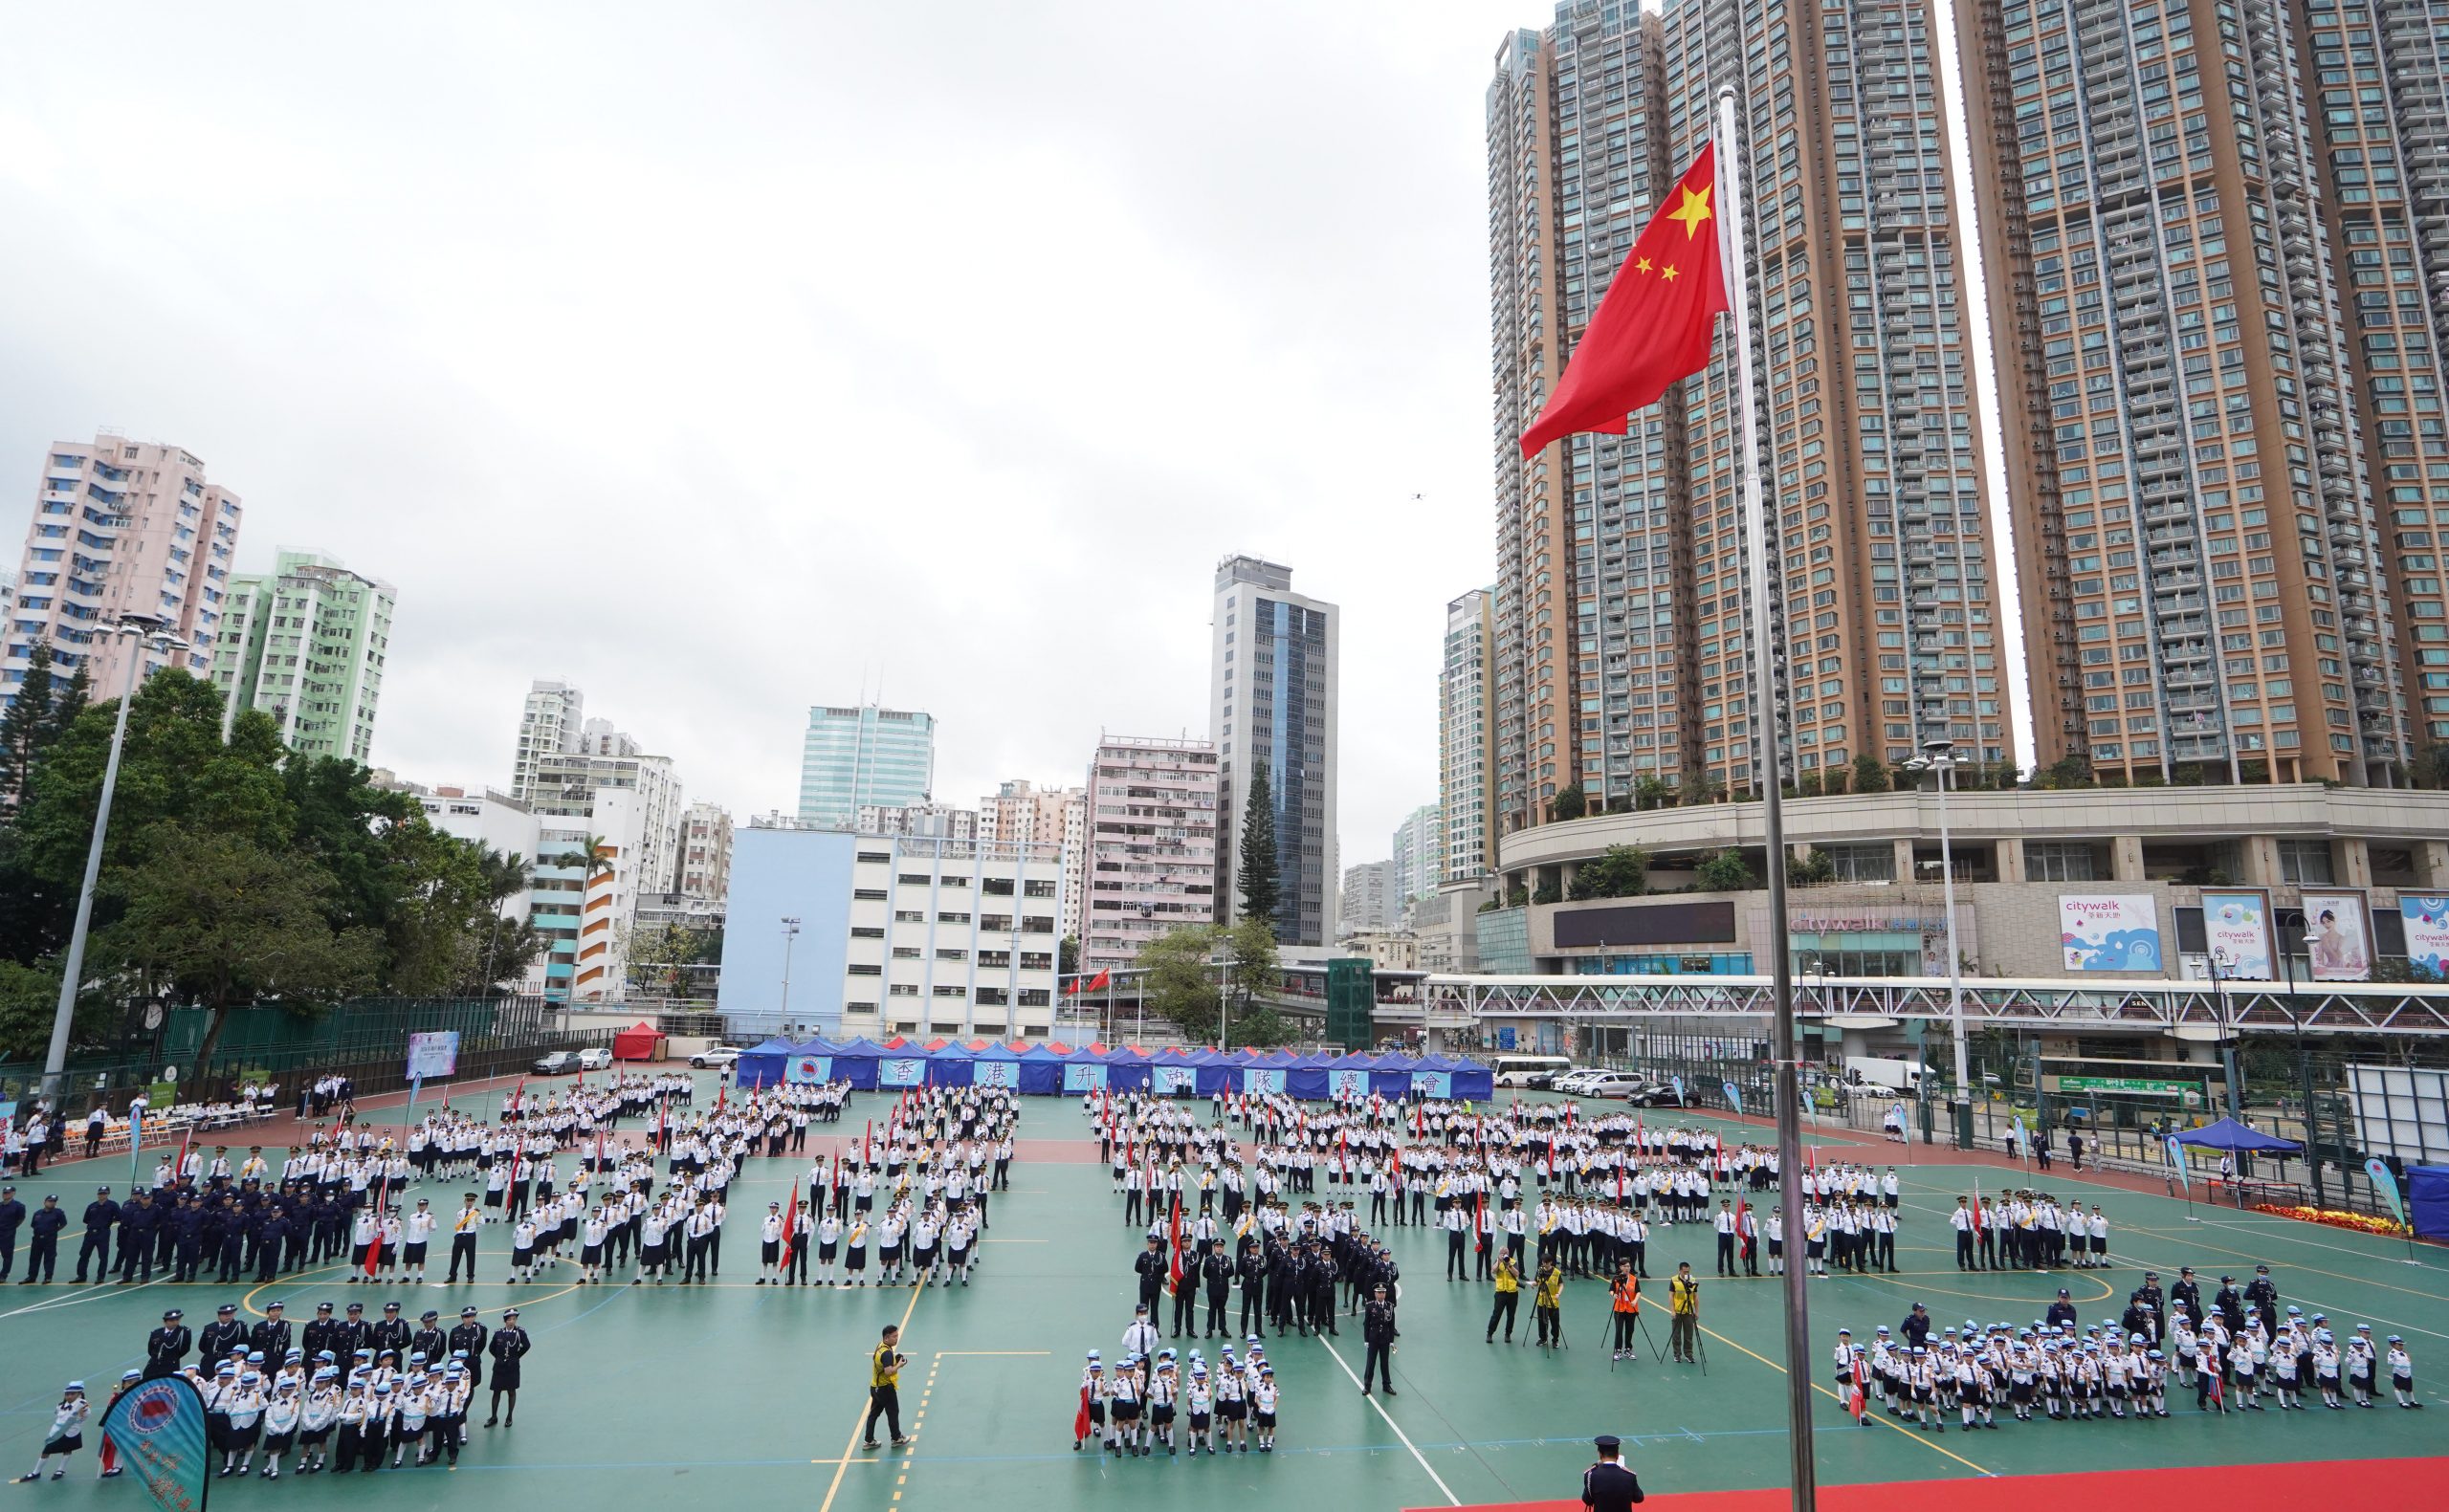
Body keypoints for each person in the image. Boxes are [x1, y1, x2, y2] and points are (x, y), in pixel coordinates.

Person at [21, 1383, 87, 1482]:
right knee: (46, 1451)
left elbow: (83, 1418)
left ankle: (60, 1470)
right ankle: (36, 1472)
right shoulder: (60, 1405)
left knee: (68, 1449)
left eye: (72, 1394)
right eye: (67, 1394)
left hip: (72, 1431)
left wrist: (81, 1415)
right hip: (57, 1432)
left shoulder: (83, 1405)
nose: (69, 1396)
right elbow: (58, 1416)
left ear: (79, 1394)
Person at [865, 1324, 909, 1450]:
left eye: (897, 1336)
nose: (897, 1339)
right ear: (886, 1338)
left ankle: (868, 1441)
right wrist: (900, 1365)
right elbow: (889, 1371)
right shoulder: (887, 1354)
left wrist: (895, 1360)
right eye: (894, 1337)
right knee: (893, 1412)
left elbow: (884, 1363)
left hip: (875, 1387)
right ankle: (897, 1439)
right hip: (885, 1389)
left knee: (873, 1414)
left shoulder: (880, 1347)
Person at [482, 1309, 528, 1428]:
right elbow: (492, 1348)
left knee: (511, 1392)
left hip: (512, 1367)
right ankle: (494, 1417)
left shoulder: (520, 1333)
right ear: (505, 1321)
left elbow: (527, 1345)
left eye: (514, 1319)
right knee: (496, 1392)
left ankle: (509, 1416)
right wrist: (499, 1358)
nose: (512, 1322)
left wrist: (516, 1356)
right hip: (499, 1367)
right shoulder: (498, 1333)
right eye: (509, 1319)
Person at [1581, 1434, 1645, 1512]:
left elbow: (1587, 1500)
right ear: (1617, 1455)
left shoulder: (1590, 1475)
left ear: (1600, 1454)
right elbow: (1639, 1498)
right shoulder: (1629, 1476)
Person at [1360, 1282, 1398, 1397]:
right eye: (1379, 1292)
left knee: (1384, 1363)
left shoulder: (1389, 1306)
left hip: (1385, 1339)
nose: (1381, 1295)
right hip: (1373, 1339)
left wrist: (1391, 1340)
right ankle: (1367, 1385)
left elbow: (1392, 1325)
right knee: (1370, 1363)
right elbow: (1366, 1324)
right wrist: (1366, 1340)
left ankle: (1386, 1385)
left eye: (1383, 1293)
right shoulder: (1370, 1306)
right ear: (1375, 1294)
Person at [1667, 1262, 1699, 1364]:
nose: (1686, 1273)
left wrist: (1696, 1311)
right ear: (1679, 1270)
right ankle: (1677, 1354)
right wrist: (1672, 1310)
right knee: (1676, 1335)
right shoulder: (1674, 1280)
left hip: (1689, 1312)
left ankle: (1689, 1354)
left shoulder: (1692, 1280)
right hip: (1677, 1311)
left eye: (1688, 1271)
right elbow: (1671, 1296)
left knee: (1689, 1335)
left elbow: (1695, 1297)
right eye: (1685, 1271)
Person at [1488, 1251, 1522, 1344]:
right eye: (1502, 1253)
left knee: (1511, 1315)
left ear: (1508, 1253)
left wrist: (1509, 1265)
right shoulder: (1497, 1261)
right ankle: (1490, 1333)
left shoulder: (1513, 1262)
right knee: (1496, 1314)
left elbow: (1517, 1274)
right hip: (1500, 1293)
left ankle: (1508, 1334)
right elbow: (1493, 1271)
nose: (1504, 1254)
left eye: (1505, 1253)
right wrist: (1499, 1261)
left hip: (1512, 1293)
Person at [1611, 1263, 1642, 1360]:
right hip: (1619, 1308)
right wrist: (1614, 1295)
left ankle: (1628, 1349)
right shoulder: (1616, 1279)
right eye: (1624, 1266)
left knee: (1630, 1330)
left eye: (1628, 1266)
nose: (1627, 1268)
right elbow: (1611, 1290)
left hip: (1631, 1309)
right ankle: (1618, 1350)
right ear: (1620, 1267)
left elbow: (1638, 1292)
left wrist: (1635, 1300)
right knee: (1619, 1330)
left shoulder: (1634, 1279)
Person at [1534, 1258, 1566, 1348]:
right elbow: (1537, 1282)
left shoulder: (1556, 1273)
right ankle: (1543, 1339)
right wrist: (1533, 1284)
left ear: (1550, 1263)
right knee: (1541, 1321)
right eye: (1543, 1262)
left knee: (1555, 1323)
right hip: (1542, 1301)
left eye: (1546, 1263)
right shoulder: (1540, 1271)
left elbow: (1561, 1285)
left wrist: (1558, 1294)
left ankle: (1555, 1340)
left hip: (1553, 1302)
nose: (1544, 1264)